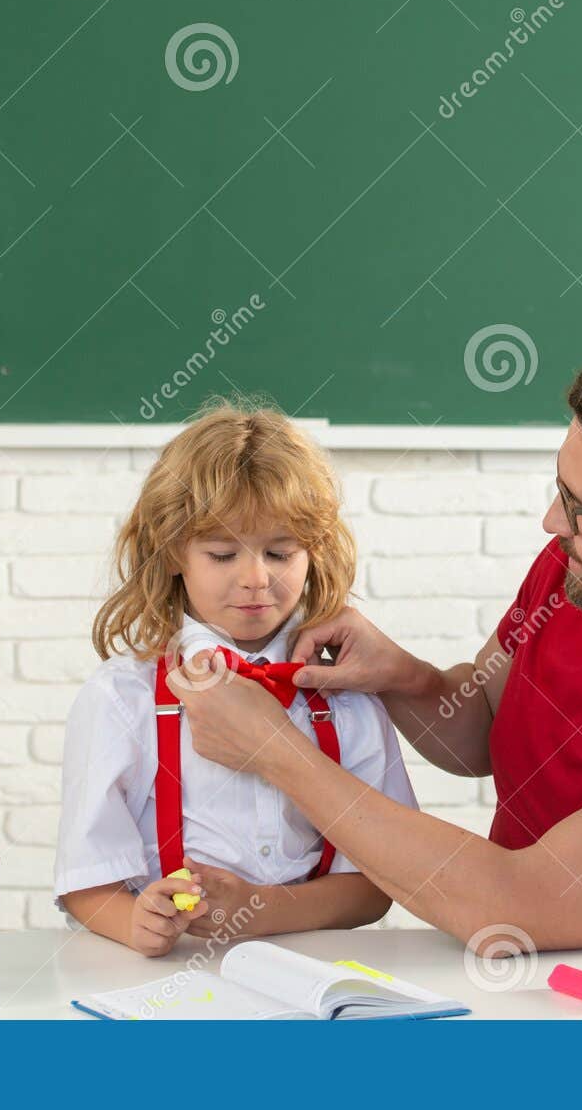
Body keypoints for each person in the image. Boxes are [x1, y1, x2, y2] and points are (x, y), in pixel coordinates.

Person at [169, 330, 582, 952]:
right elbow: (487, 728)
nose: (553, 521)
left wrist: (276, 753)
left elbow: (512, 907)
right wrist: (403, 676)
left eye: (579, 507)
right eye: (559, 488)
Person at [53, 402, 417, 956]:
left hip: (316, 965)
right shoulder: (119, 700)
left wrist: (263, 913)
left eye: (280, 551)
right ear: (175, 552)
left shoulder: (349, 698)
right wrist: (134, 922)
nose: (255, 578)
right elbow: (88, 881)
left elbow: (377, 885)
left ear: (314, 552)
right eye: (223, 553)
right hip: (173, 975)